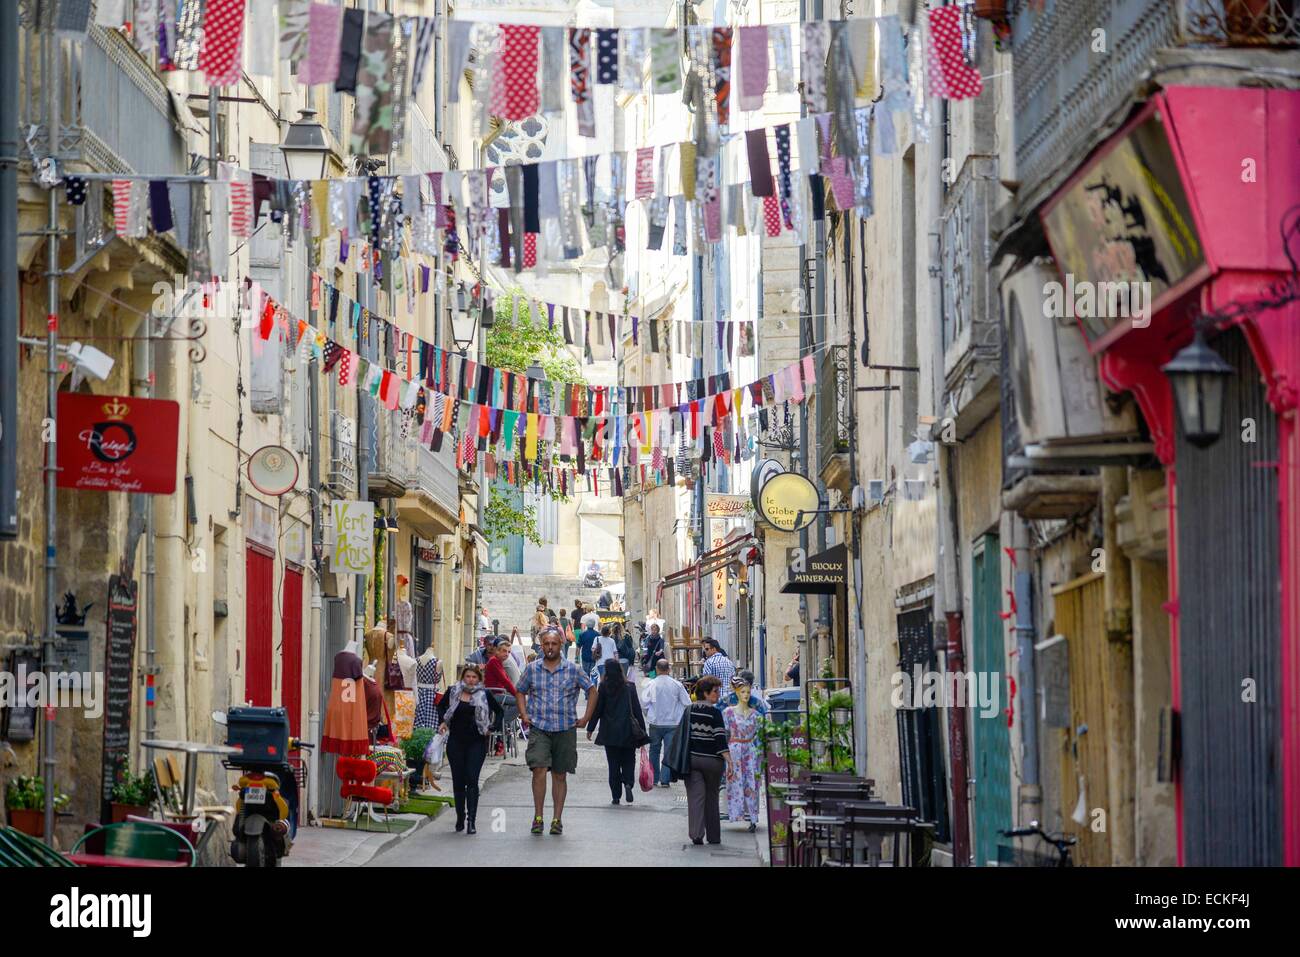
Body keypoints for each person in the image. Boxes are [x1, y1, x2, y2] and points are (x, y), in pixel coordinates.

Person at [516, 627, 597, 835]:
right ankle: (538, 817)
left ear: (561, 645)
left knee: (560, 775)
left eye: (554, 643)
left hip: (565, 728)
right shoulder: (532, 669)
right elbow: (520, 690)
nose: (550, 647)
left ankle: (557, 819)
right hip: (540, 727)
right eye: (546, 644)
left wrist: (586, 718)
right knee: (539, 770)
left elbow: (592, 690)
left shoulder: (573, 669)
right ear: (541, 646)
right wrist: (524, 714)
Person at [437, 663, 503, 834]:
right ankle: (460, 816)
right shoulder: (453, 691)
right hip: (456, 742)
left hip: (477, 742)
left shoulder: (484, 694)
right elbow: (440, 705)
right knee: (458, 781)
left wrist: (492, 727)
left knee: (472, 779)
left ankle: (471, 821)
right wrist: (443, 722)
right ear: (463, 677)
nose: (471, 680)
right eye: (468, 676)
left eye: (474, 677)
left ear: (479, 679)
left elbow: (500, 711)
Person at [585, 660, 647, 805]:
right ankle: (628, 782)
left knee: (613, 764)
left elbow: (598, 709)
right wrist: (642, 732)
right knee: (629, 760)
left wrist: (590, 728)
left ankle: (616, 795)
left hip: (610, 732)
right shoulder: (629, 687)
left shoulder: (604, 687)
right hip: (628, 731)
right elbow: (637, 710)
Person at [685, 676, 732, 846]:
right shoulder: (715, 713)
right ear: (705, 693)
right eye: (715, 691)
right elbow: (720, 739)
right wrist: (730, 761)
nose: (718, 695)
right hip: (713, 763)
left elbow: (684, 737)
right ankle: (714, 837)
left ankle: (696, 834)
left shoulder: (689, 711)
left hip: (693, 760)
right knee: (712, 798)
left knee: (695, 798)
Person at [640, 659, 691, 787]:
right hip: (672, 723)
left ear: (657, 669)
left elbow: (644, 704)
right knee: (669, 751)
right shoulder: (677, 685)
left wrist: (649, 715)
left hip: (655, 722)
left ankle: (654, 778)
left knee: (654, 751)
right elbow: (687, 703)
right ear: (668, 669)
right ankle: (665, 779)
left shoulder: (650, 684)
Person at [723, 675, 762, 832]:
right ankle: (736, 813)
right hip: (734, 749)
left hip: (750, 750)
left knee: (752, 782)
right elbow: (724, 733)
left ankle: (752, 816)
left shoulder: (756, 715)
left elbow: (759, 736)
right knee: (735, 782)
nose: (746, 695)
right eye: (742, 691)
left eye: (748, 692)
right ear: (737, 693)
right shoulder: (728, 713)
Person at [485, 638, 522, 754]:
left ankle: (500, 723)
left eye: (509, 652)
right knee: (520, 704)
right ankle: (501, 723)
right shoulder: (494, 661)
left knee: (519, 703)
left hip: (497, 694)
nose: (507, 654)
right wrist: (517, 695)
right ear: (497, 651)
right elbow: (505, 681)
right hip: (493, 695)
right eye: (504, 651)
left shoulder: (497, 662)